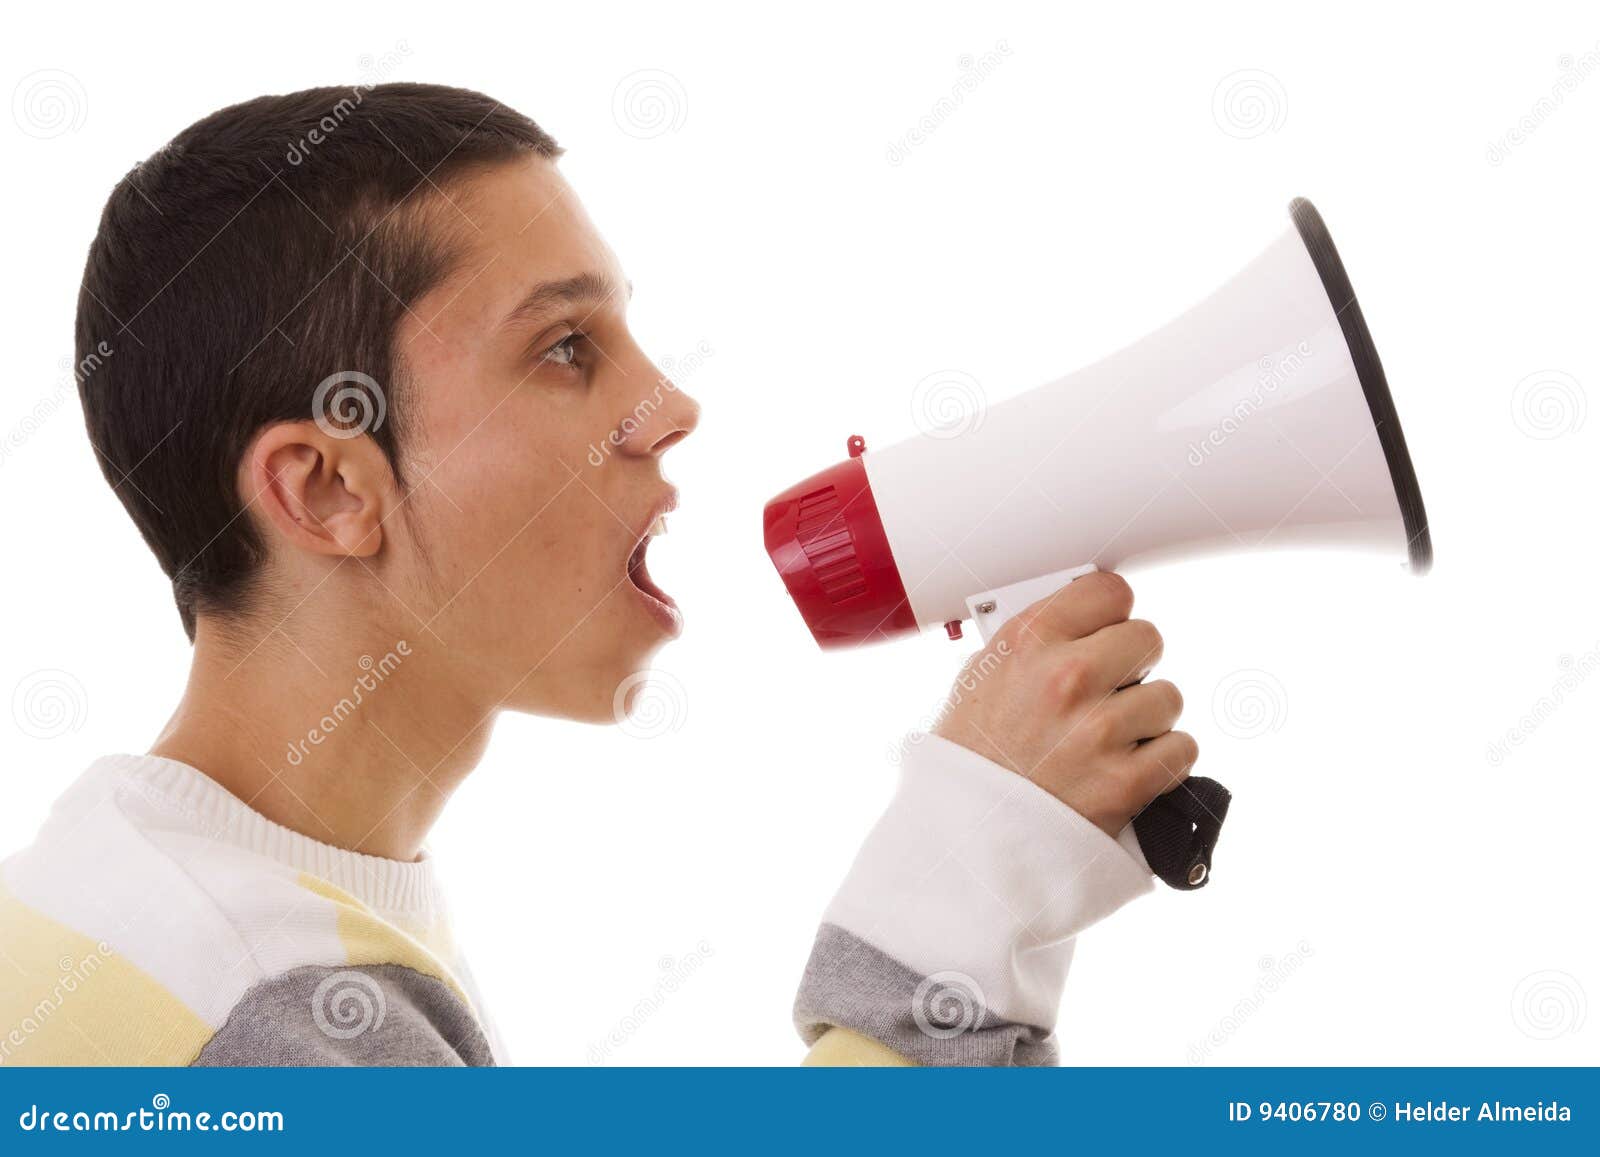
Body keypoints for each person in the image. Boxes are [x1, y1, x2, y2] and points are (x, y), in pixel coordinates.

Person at [0, 84, 1196, 1066]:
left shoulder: (163, 912)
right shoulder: (259, 1008)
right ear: (326, 489)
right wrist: (961, 899)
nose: (671, 406)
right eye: (566, 348)